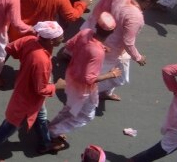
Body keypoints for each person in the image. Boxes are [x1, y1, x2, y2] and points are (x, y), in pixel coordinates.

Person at [0, 21, 64, 161]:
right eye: (61, 37)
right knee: (11, 125)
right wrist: (58, 86)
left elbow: (11, 48)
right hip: (28, 98)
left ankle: (45, 143)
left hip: (25, 90)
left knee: (41, 116)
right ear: (52, 41)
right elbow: (41, 89)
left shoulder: (30, 40)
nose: (63, 39)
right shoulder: (41, 60)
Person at [46, 13, 122, 149]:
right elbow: (89, 78)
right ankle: (53, 132)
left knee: (70, 107)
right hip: (82, 87)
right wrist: (111, 74)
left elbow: (70, 45)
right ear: (111, 32)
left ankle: (52, 127)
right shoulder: (97, 52)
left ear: (97, 26)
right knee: (86, 115)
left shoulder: (86, 33)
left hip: (71, 76)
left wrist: (98, 47)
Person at [97, 0, 159, 102]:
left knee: (112, 71)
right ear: (147, 2)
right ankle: (89, 91)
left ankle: (105, 92)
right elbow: (128, 42)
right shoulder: (136, 17)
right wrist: (138, 57)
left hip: (105, 38)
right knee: (118, 78)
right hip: (115, 48)